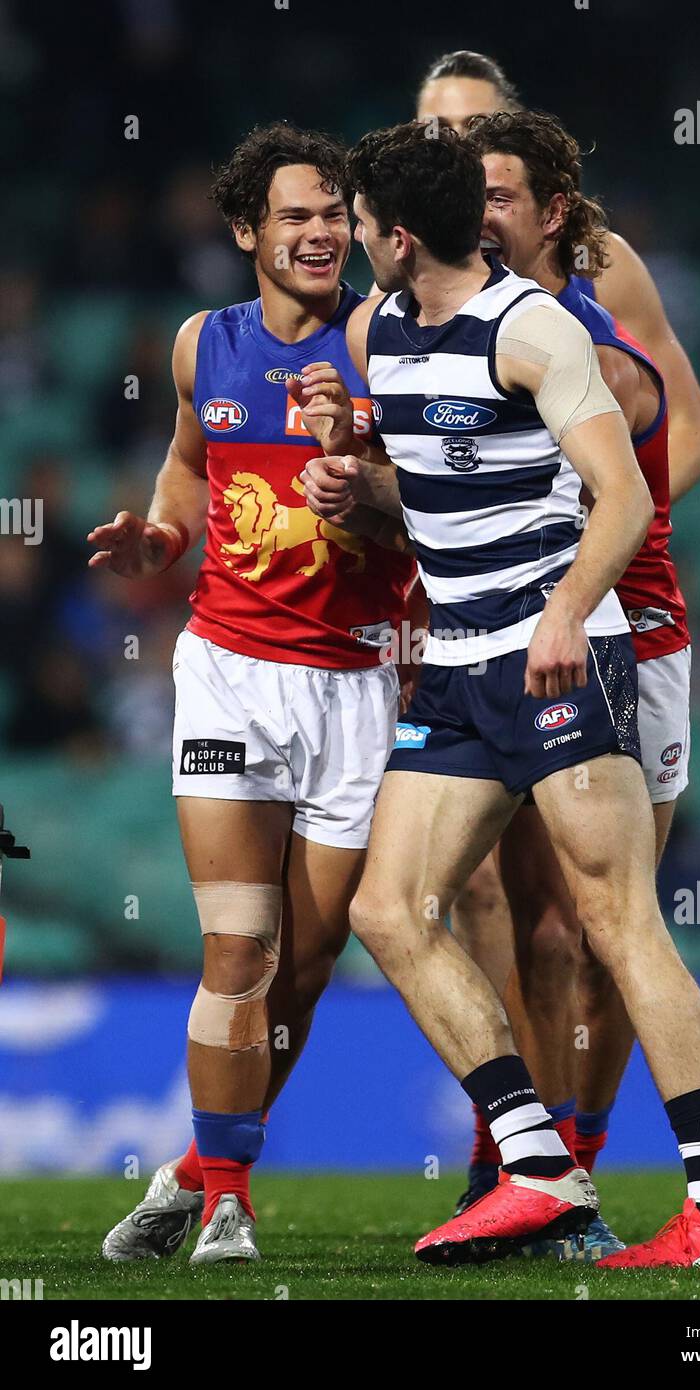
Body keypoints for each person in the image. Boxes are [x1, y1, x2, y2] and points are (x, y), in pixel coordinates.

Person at [306, 120, 700, 1269]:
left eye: (360, 226)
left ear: (399, 235)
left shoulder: (532, 327)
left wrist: (565, 613)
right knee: (384, 911)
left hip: (557, 651)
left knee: (614, 921)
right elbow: (434, 503)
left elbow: (618, 500)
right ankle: (538, 1166)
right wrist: (351, 480)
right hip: (460, 663)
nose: (352, 244)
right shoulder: (385, 334)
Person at [90, 123, 413, 1265]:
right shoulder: (199, 345)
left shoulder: (390, 341)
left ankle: (192, 1168)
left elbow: (439, 512)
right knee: (240, 948)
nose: (321, 232)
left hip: (359, 683)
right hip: (227, 671)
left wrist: (363, 468)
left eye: (334, 213)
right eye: (295, 215)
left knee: (310, 964)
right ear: (246, 232)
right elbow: (190, 459)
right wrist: (163, 532)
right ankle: (230, 1196)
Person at [415, 51, 700, 1234]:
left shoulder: (592, 273)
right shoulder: (412, 266)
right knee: (466, 897)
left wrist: (599, 533)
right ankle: (516, 1153)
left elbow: (685, 429)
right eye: (434, 127)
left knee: (586, 924)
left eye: (475, 129)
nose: (454, 149)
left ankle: (573, 1166)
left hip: (610, 617)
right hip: (469, 623)